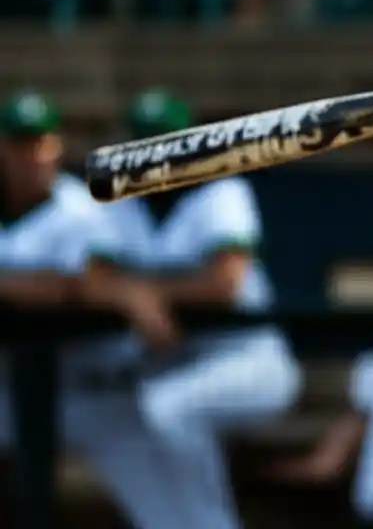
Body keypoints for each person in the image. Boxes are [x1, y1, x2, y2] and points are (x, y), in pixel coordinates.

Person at [91, 88, 302, 529]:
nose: (156, 157)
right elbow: (95, 279)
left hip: (247, 361)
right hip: (173, 363)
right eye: (146, 143)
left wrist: (144, 292)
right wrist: (130, 295)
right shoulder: (119, 205)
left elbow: (223, 282)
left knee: (169, 409)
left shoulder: (221, 193)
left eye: (168, 143)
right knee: (118, 422)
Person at [0, 90, 186, 528]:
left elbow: (72, 287)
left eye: (41, 144)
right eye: (21, 145)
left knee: (169, 517)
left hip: (100, 391)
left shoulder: (81, 209)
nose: (33, 158)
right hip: (15, 389)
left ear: (58, 147)